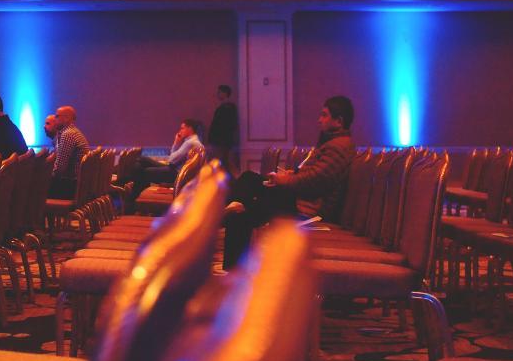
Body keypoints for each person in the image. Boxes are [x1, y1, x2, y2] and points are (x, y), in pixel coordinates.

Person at [222, 96, 356, 269]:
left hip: (309, 208)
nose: (319, 120)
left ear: (338, 121)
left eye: (324, 115)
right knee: (244, 202)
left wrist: (284, 180)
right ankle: (232, 211)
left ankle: (225, 216)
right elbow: (314, 175)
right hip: (301, 200)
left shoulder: (338, 146)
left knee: (247, 191)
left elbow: (315, 181)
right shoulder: (334, 143)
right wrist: (293, 175)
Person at [132, 119, 205, 198]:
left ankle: (134, 196)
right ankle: (135, 197)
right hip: (176, 170)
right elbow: (173, 159)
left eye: (182, 128)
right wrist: (177, 143)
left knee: (143, 171)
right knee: (141, 160)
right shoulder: (194, 141)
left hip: (177, 174)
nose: (180, 131)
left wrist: (176, 143)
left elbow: (171, 160)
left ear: (190, 129)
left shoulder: (190, 143)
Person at [52, 106, 89, 199]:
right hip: (80, 185)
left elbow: (59, 169)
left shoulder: (67, 135)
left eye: (57, 116)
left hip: (70, 186)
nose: (54, 119)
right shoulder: (75, 132)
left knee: (34, 189)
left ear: (66, 118)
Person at [207, 84, 238, 174]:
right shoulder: (224, 107)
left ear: (225, 93)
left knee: (222, 162)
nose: (217, 94)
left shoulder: (228, 108)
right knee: (223, 162)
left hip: (222, 141)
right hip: (221, 140)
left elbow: (224, 125)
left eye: (219, 92)